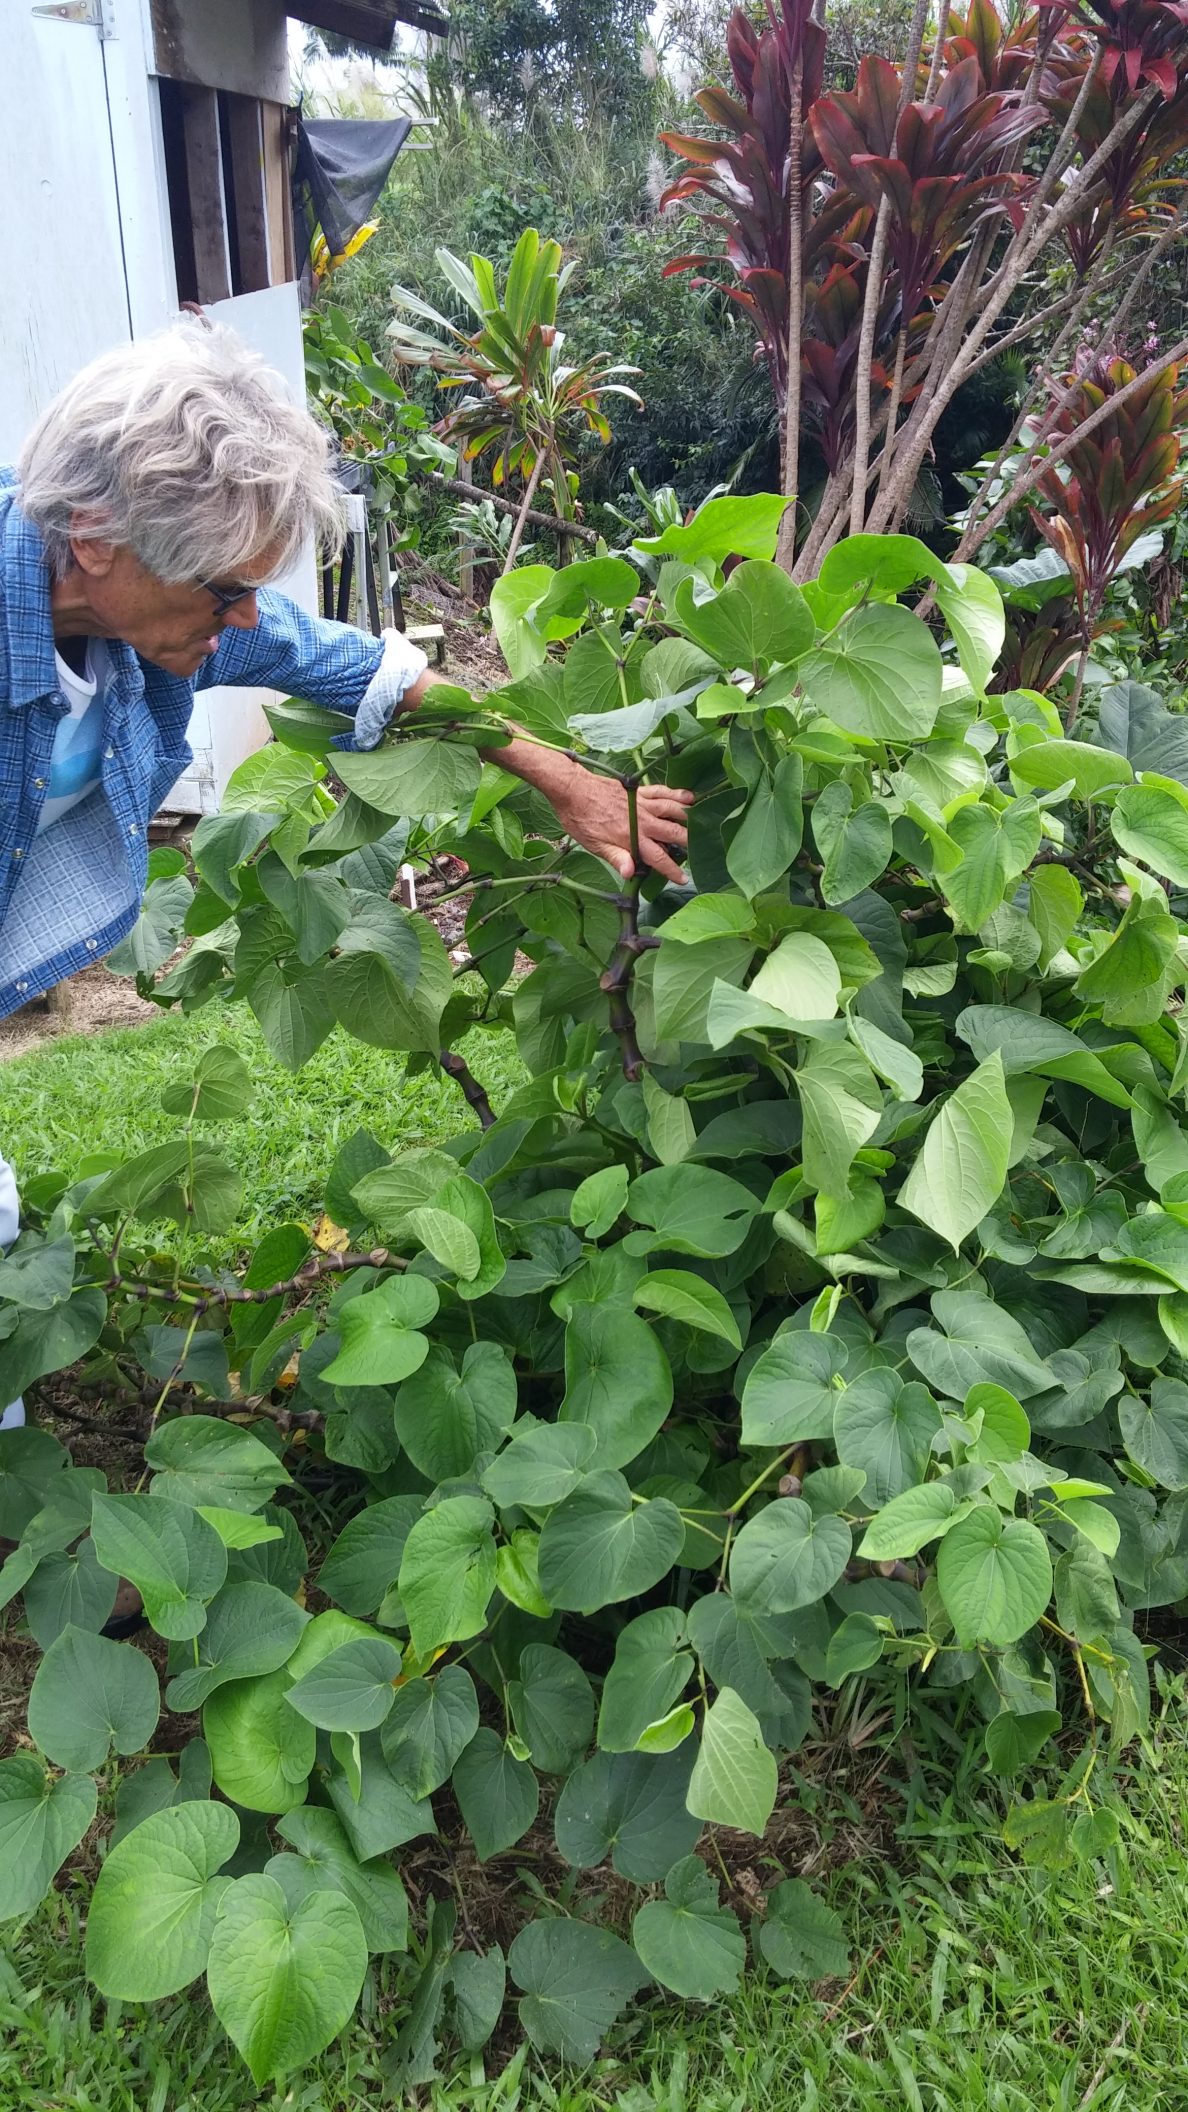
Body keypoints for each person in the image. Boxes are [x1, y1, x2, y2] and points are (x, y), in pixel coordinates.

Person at [0, 320, 692, 1428]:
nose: (242, 622)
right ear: (94, 536)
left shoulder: (162, 605)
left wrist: (566, 780)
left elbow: (364, 669)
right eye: (225, 588)